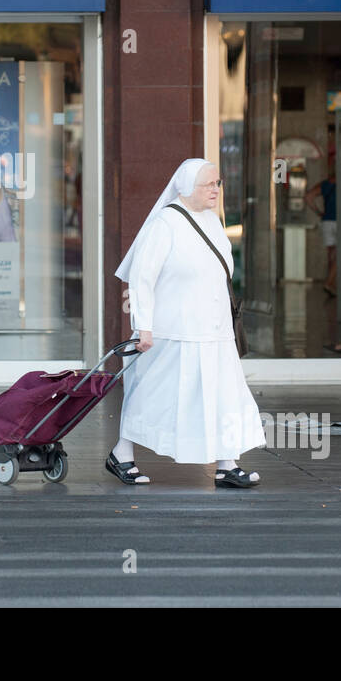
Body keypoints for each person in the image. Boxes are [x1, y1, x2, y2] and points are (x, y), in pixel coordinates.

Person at [110, 158, 266, 488]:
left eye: (218, 184)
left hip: (215, 330)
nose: (215, 190)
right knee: (152, 396)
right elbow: (142, 279)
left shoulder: (212, 221)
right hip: (173, 330)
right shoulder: (164, 224)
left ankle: (227, 463)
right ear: (185, 187)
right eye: (208, 185)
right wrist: (144, 326)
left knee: (225, 396)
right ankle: (121, 454)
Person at [305, 165, 338, 297]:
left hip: (326, 221)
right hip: (340, 221)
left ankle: (331, 283)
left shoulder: (324, 185)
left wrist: (319, 212)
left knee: (331, 254)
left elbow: (308, 197)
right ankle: (329, 282)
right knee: (339, 254)